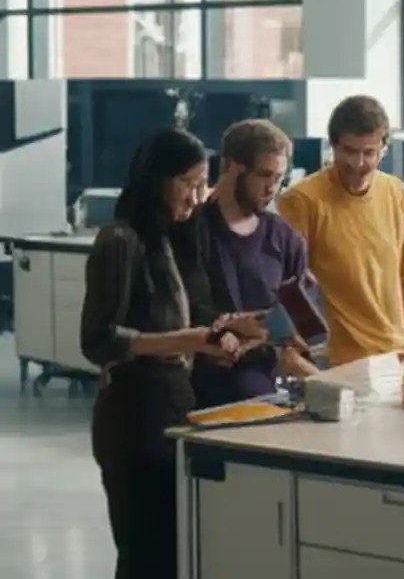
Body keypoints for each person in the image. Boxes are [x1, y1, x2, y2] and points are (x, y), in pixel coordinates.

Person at [81, 129, 264, 579]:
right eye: (188, 183)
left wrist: (224, 334)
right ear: (157, 179)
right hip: (132, 413)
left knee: (176, 551)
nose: (196, 196)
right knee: (146, 553)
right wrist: (186, 340)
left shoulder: (177, 240)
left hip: (176, 402)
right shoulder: (120, 241)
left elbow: (198, 313)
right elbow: (98, 340)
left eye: (203, 183)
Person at [276, 95, 404, 366]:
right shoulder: (302, 201)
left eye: (369, 153)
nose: (358, 164)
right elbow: (288, 290)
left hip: (395, 356)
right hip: (339, 362)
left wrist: (400, 341)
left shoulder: (395, 193)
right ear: (332, 146)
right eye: (349, 151)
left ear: (384, 149)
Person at [190, 119, 319, 409]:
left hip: (276, 374)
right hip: (212, 381)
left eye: (279, 178)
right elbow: (186, 309)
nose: (271, 188)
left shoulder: (284, 239)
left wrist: (283, 340)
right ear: (230, 167)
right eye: (263, 176)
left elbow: (307, 322)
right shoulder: (193, 232)